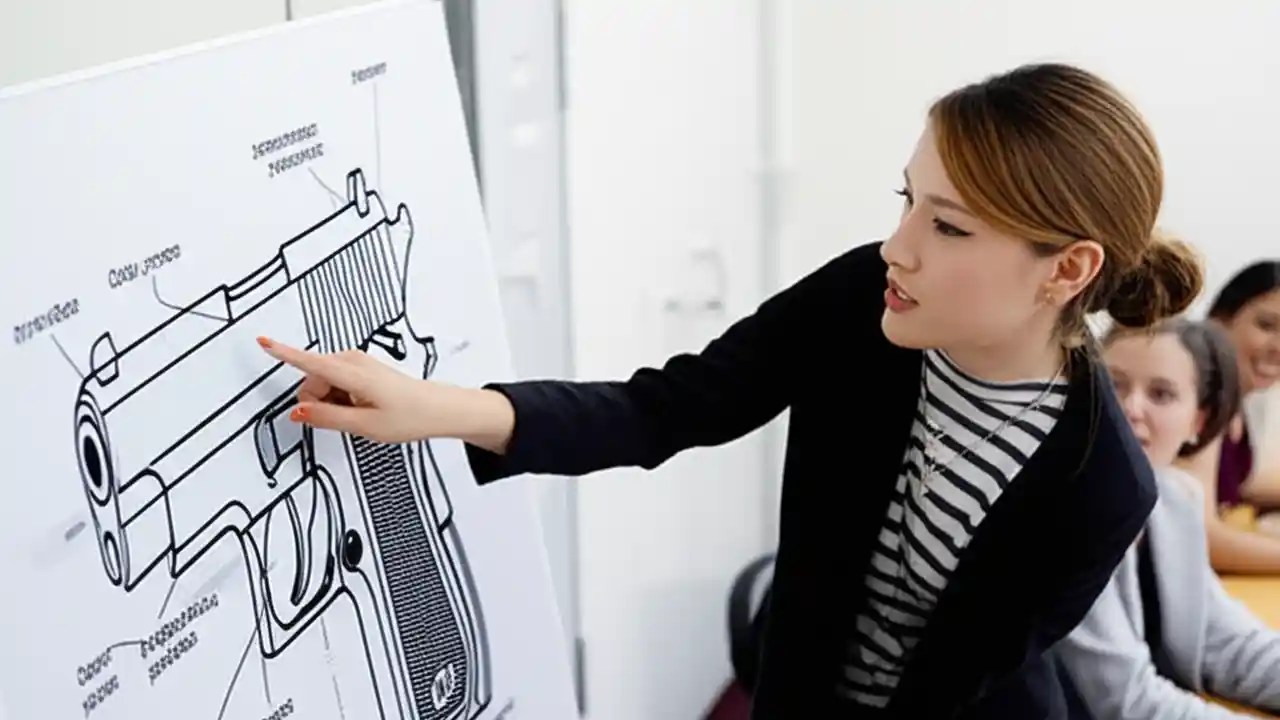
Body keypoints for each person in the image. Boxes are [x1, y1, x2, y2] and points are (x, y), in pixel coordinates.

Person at [256, 62, 1203, 718]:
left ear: (1066, 269)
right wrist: (439, 409)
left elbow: (951, 686)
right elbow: (670, 407)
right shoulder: (862, 300)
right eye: (906, 200)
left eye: (947, 226)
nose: (898, 246)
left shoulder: (1102, 487)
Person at [1054, 318, 1280, 719]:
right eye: (1113, 385)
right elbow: (1125, 703)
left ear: (1198, 422)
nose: (1130, 408)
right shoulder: (1061, 515)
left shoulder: (1175, 501)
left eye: (1161, 394)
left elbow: (1231, 645)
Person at [1178, 260, 1280, 573]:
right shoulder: (1200, 398)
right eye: (1266, 326)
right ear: (1220, 320)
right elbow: (1199, 538)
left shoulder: (1234, 405)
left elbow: (1240, 483)